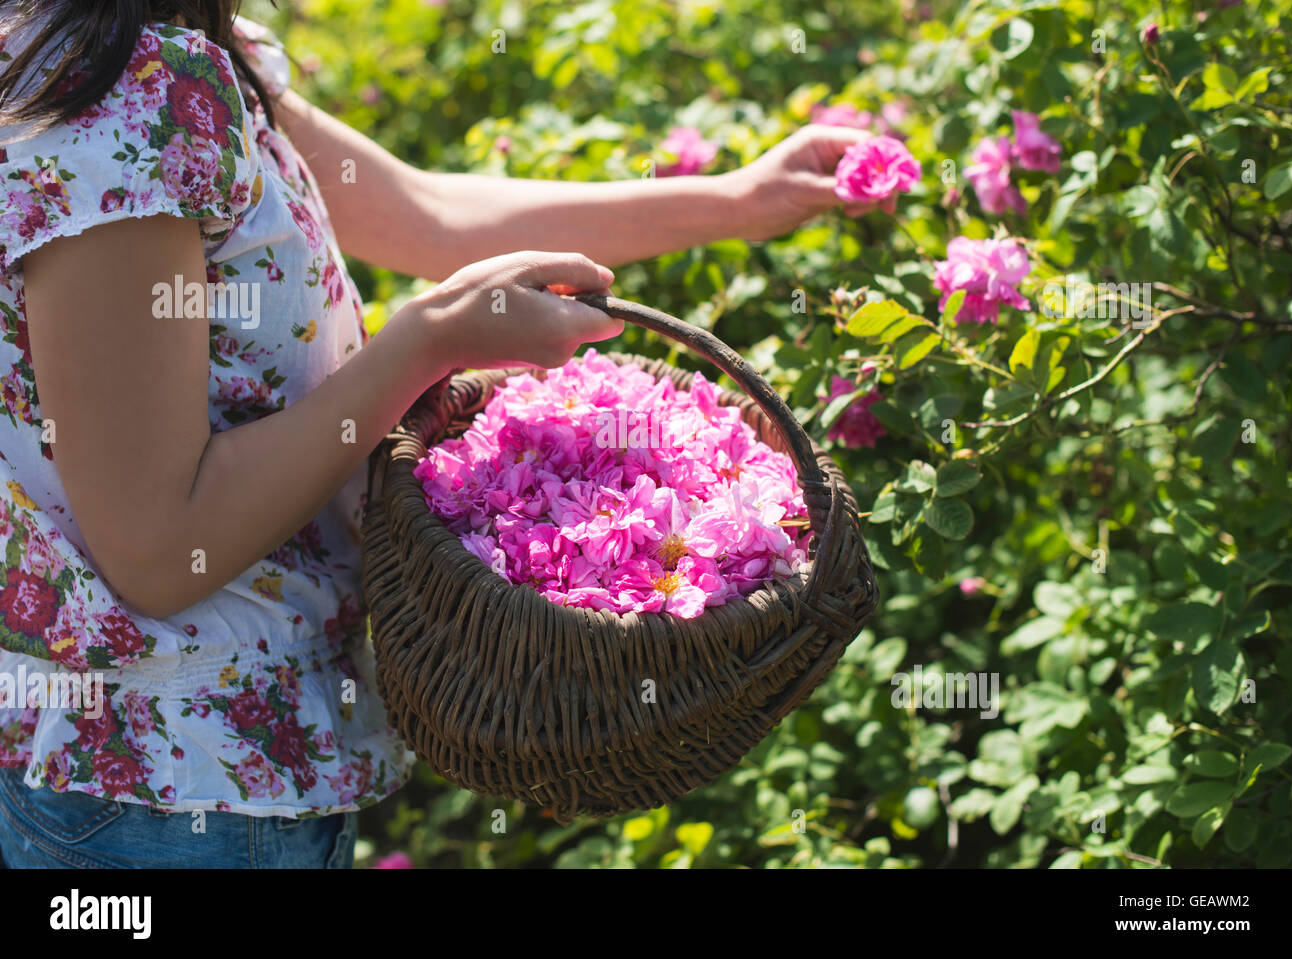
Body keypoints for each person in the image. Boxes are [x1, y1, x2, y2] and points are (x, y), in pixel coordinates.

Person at [0, 1, 870, 868]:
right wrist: (430, 340)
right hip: (156, 803)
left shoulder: (190, 45)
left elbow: (426, 212)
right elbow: (158, 548)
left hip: (224, 775)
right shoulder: (109, 91)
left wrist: (745, 197)